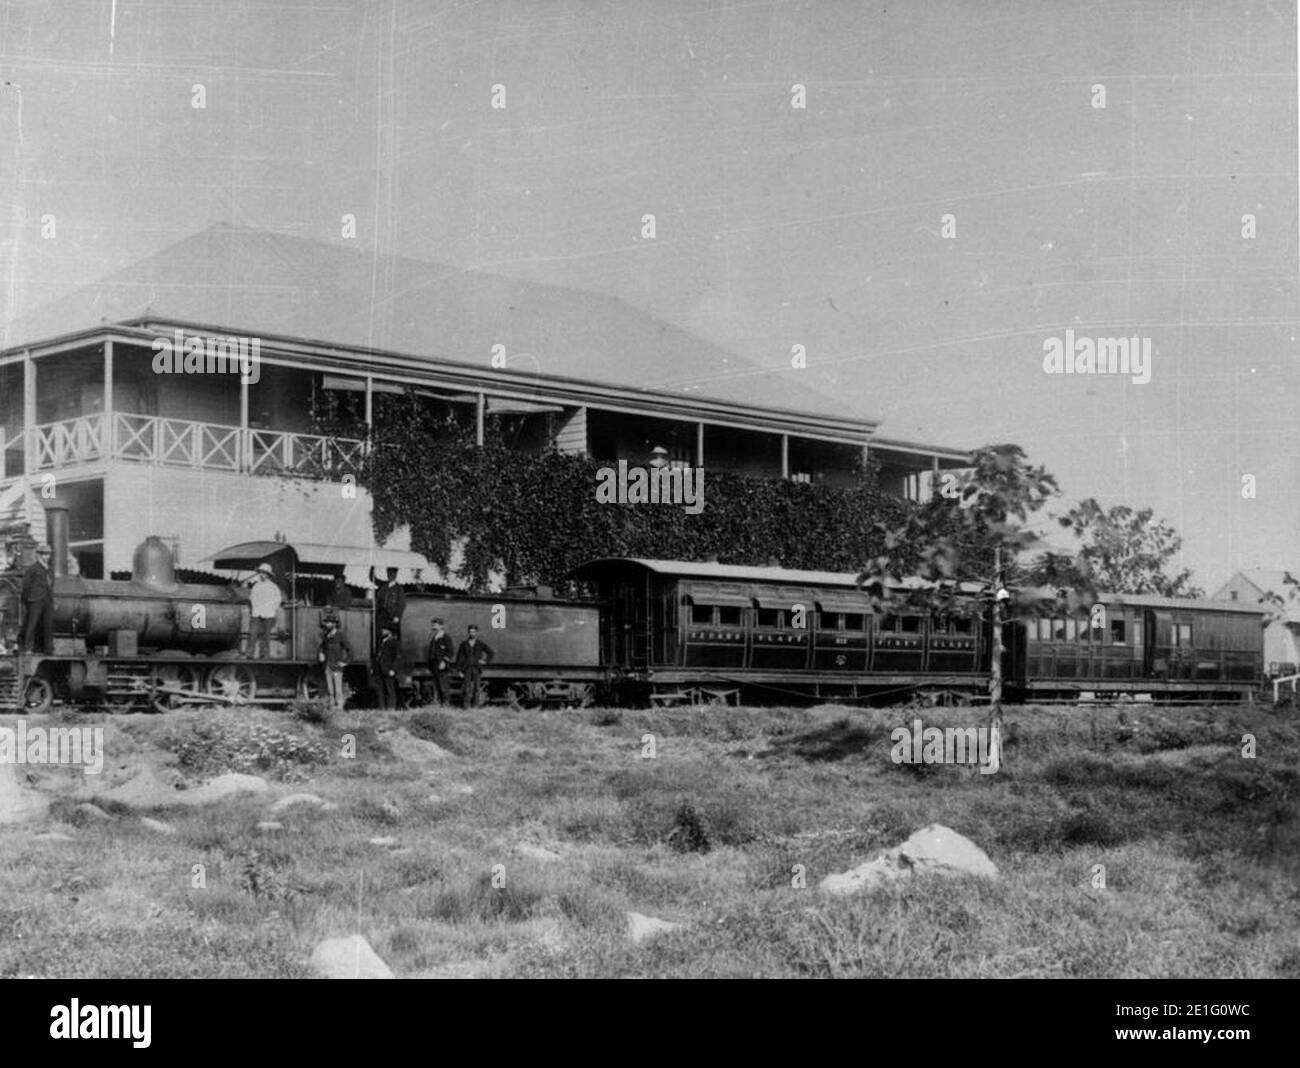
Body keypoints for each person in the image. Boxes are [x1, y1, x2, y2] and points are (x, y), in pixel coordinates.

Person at [20, 544, 55, 654]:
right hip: (35, 600)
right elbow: (26, 587)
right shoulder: (33, 569)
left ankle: (48, 649)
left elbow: (51, 586)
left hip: (47, 600)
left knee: (48, 624)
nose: (46, 557)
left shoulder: (49, 570)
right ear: (38, 555)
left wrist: (51, 601)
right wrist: (29, 600)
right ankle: (27, 647)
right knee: (32, 623)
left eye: (48, 554)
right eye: (44, 554)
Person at [247, 562, 283, 659]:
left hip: (268, 614)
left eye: (264, 573)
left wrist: (272, 609)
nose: (262, 575)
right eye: (261, 573)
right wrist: (255, 608)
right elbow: (252, 598)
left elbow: (278, 599)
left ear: (268, 575)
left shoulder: (273, 587)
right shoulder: (256, 586)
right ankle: (250, 654)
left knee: (265, 636)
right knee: (253, 634)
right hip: (256, 614)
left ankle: (265, 655)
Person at [454, 623, 494, 708]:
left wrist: (485, 661)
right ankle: (466, 707)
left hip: (477, 669)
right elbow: (458, 658)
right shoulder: (464, 644)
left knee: (476, 688)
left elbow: (491, 653)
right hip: (467, 669)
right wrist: (459, 671)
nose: (472, 633)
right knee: (467, 689)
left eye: (474, 632)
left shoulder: (480, 644)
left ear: (476, 633)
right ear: (468, 633)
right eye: (470, 632)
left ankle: (475, 706)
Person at [317, 615, 352, 712]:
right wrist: (321, 653)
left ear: (334, 624)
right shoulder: (326, 636)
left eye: (329, 623)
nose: (327, 624)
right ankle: (331, 707)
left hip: (337, 666)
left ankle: (339, 707)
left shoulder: (340, 635)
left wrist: (345, 662)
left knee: (338, 689)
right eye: (327, 622)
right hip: (327, 666)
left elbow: (349, 649)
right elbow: (322, 646)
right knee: (330, 689)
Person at [425, 617, 455, 707]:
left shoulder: (446, 637)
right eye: (433, 624)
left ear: (441, 626)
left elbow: (451, 652)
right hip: (434, 665)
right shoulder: (434, 637)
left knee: (443, 686)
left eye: (436, 624)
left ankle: (446, 704)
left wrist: (444, 662)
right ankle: (440, 704)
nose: (434, 626)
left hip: (441, 665)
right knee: (437, 686)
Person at [370, 565, 406, 637]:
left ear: (395, 575)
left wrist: (397, 616)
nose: (390, 576)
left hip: (392, 615)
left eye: (392, 574)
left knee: (390, 632)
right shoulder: (384, 588)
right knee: (374, 628)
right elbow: (379, 601)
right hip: (382, 614)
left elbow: (401, 604)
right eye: (389, 574)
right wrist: (375, 613)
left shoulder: (399, 589)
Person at [374, 624, 399, 710]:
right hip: (379, 669)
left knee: (390, 690)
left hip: (388, 669)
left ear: (389, 632)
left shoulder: (394, 642)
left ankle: (391, 708)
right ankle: (382, 708)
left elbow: (396, 657)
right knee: (380, 691)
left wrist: (393, 669)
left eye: (385, 630)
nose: (382, 631)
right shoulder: (382, 642)